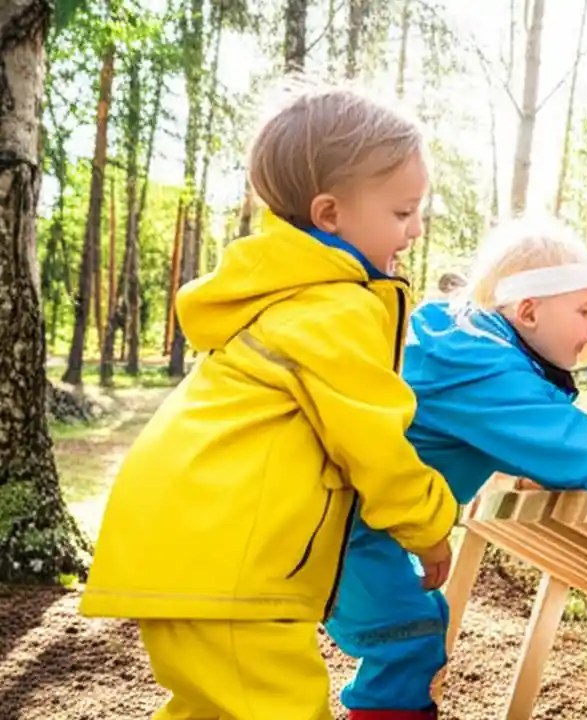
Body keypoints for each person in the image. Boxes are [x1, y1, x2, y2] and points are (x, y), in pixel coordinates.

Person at [80, 85, 458, 720]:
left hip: (193, 546)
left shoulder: (288, 299)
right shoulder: (331, 309)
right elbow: (371, 440)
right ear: (330, 213)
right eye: (401, 213)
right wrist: (429, 524)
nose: (416, 229)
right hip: (230, 561)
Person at [325, 216, 587, 720]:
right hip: (339, 528)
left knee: (417, 627)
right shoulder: (483, 365)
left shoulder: (463, 344)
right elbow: (566, 444)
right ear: (528, 310)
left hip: (358, 522)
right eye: (583, 310)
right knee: (407, 638)